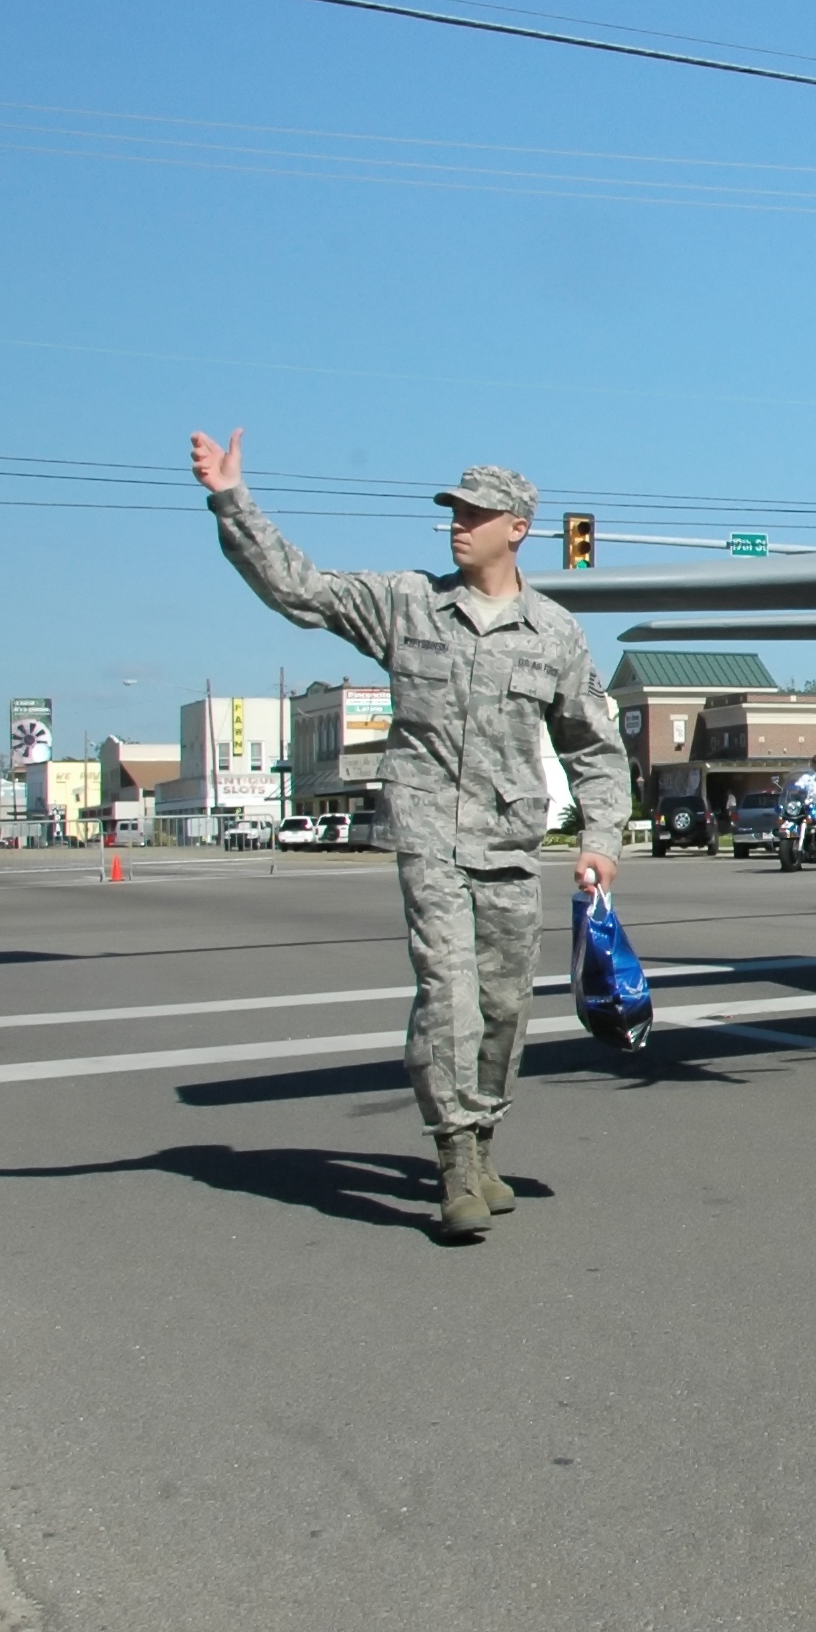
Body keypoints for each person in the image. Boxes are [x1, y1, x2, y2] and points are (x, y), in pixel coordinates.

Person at [191, 429, 631, 1241]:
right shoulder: (407, 606)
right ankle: (454, 1159)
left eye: (475, 513)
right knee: (449, 998)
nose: (458, 525)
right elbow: (300, 590)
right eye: (454, 512)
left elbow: (595, 747)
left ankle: (485, 1137)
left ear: (517, 527)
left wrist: (600, 840)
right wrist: (231, 498)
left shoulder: (555, 634)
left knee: (503, 1009)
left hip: (508, 847)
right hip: (430, 833)